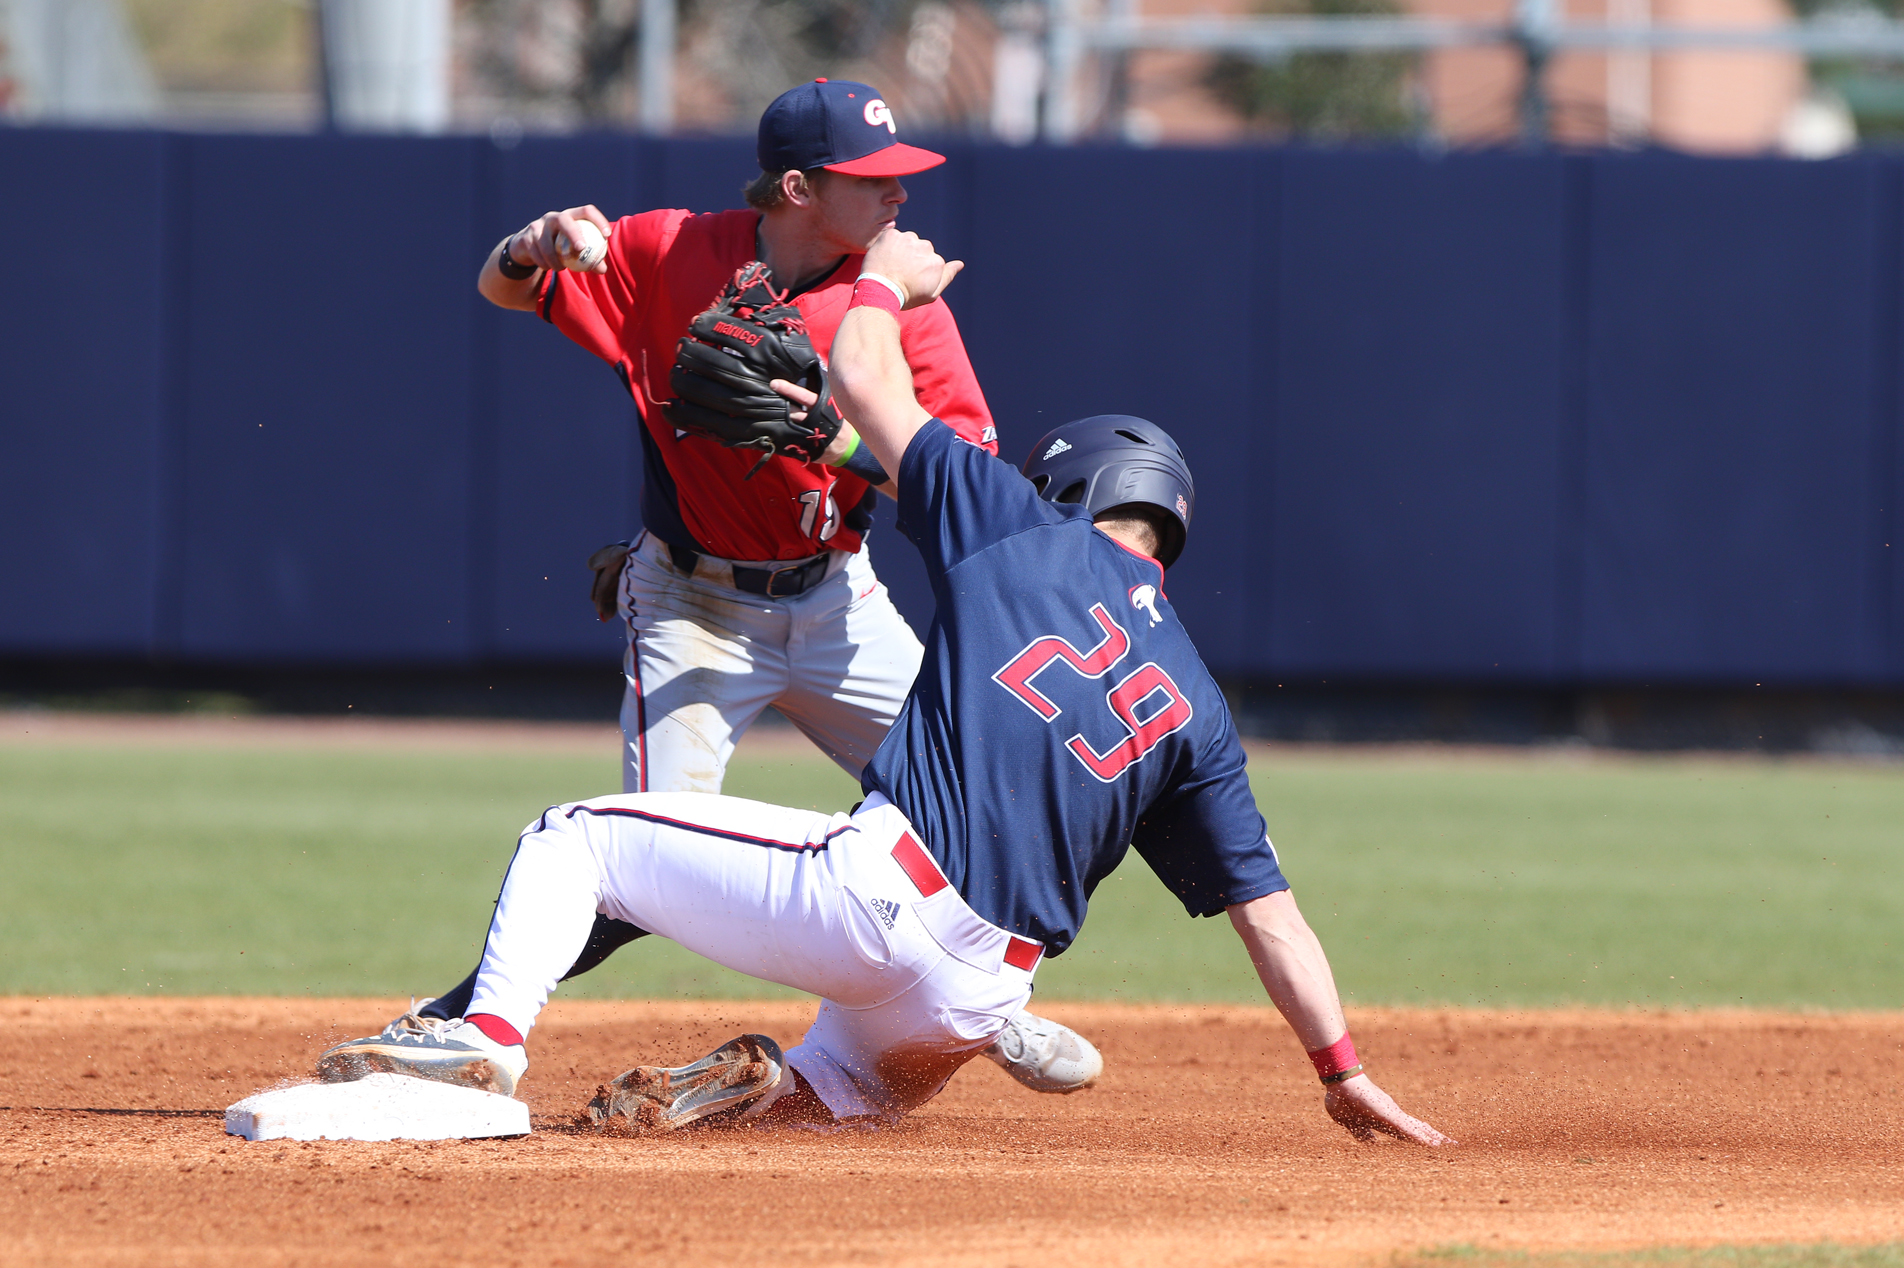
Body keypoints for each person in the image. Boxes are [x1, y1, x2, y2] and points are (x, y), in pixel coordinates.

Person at [317, 228, 1454, 1147]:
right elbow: (1270, 914)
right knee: (825, 1105)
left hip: (871, 903)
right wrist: (1341, 1071)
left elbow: (866, 379)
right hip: (966, 1002)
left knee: (573, 837)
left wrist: (884, 279)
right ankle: (768, 1085)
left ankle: (481, 1037)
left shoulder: (1016, 526)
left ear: (1068, 489)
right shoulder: (1197, 702)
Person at [391, 78, 1101, 1094]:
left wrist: (833, 431)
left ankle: (989, 1010)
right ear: (800, 188)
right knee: (643, 863)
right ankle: (452, 1023)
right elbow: (504, 288)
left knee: (985, 796)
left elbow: (962, 485)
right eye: (875, 179)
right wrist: (531, 243)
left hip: (836, 601)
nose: (900, 197)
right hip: (693, 603)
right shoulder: (668, 250)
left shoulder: (896, 307)